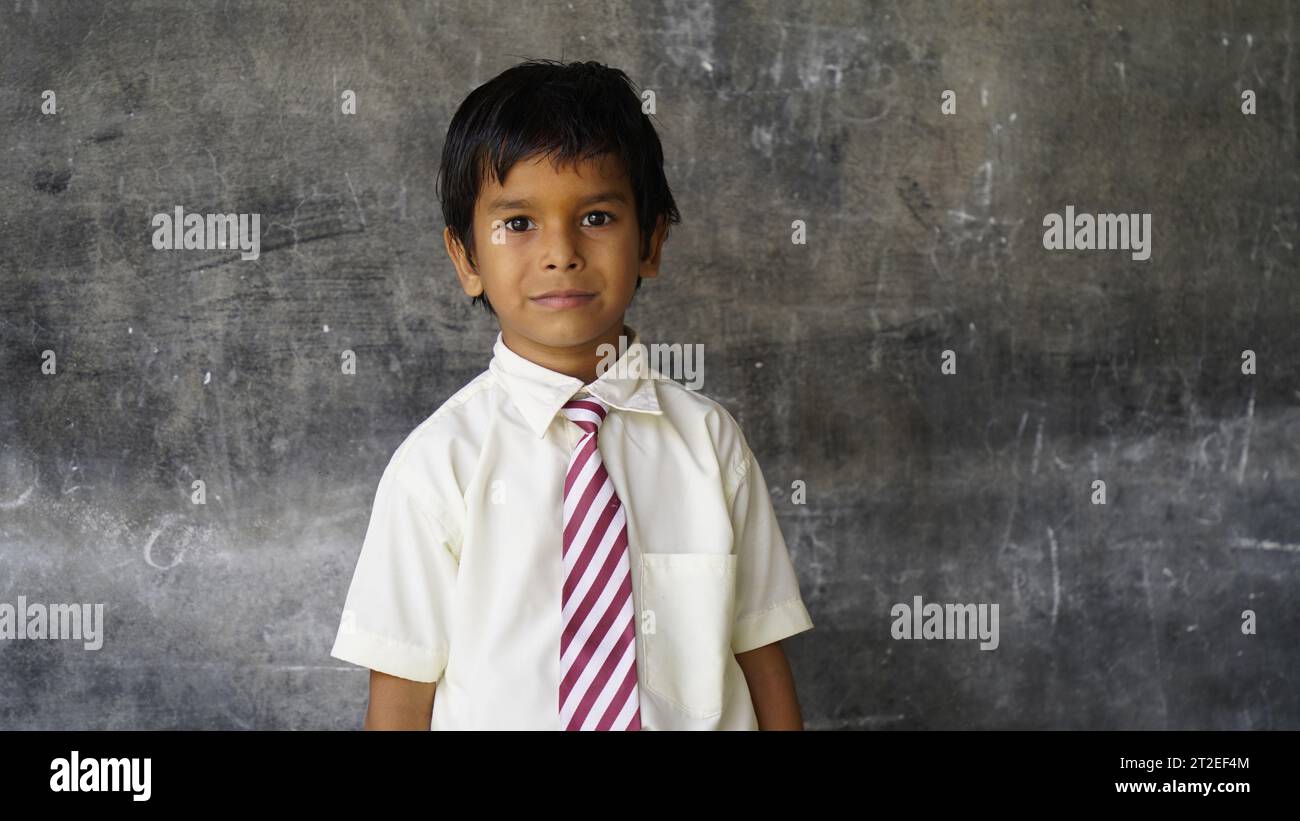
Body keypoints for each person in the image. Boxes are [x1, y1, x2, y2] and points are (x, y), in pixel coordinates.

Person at [330, 58, 814, 730]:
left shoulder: (709, 442)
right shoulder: (438, 465)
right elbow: (402, 693)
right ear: (467, 259)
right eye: (518, 223)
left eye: (595, 215)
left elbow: (759, 651)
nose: (560, 251)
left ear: (651, 240)